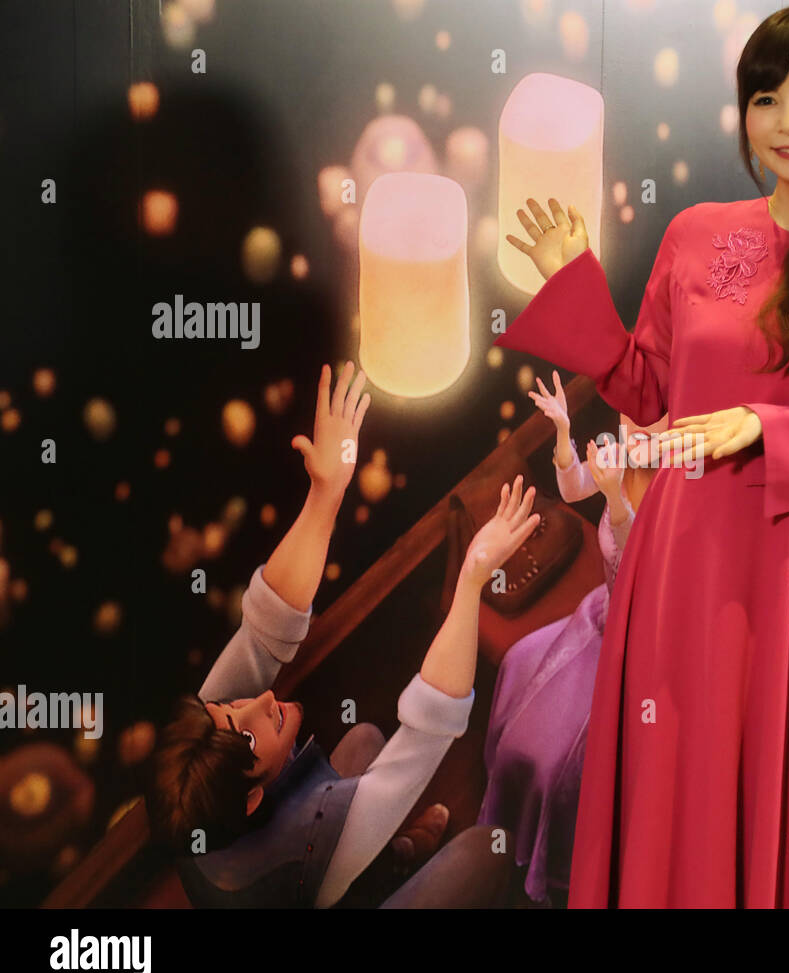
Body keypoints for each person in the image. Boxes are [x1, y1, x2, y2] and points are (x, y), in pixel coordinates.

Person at [497, 4, 789, 907]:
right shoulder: (697, 232)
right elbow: (646, 387)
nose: (786, 120)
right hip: (678, 557)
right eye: (766, 97)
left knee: (782, 797)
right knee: (673, 780)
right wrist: (573, 282)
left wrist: (768, 426)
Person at [147, 361, 541, 908]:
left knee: (362, 743)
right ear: (254, 798)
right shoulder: (301, 838)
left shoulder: (206, 753)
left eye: (235, 706)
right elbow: (430, 729)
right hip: (306, 880)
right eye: (250, 732)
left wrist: (326, 493)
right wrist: (474, 576)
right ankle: (378, 870)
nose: (262, 698)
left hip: (307, 872)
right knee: (487, 852)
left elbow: (267, 626)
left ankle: (386, 857)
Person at [478, 370, 664, 905]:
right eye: (626, 419)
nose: (626, 430)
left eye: (639, 425)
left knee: (557, 760)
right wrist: (562, 431)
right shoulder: (625, 454)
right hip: (597, 618)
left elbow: (639, 579)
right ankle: (503, 805)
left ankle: (548, 855)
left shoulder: (676, 491)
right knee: (518, 662)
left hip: (636, 650)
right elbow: (572, 485)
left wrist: (619, 504)